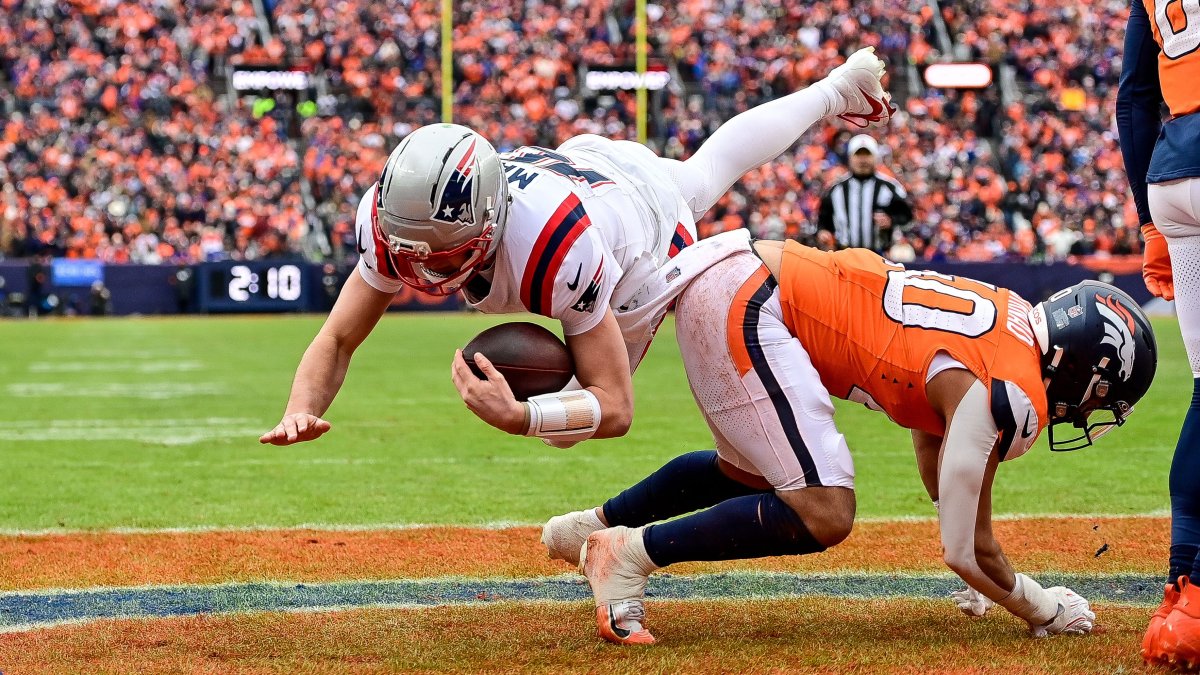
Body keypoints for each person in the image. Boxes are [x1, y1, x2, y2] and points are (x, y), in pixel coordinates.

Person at [538, 229, 1157, 645]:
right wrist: (1040, 606)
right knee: (824, 509)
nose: (1089, 411)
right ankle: (628, 553)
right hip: (752, 301)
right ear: (1086, 367)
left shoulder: (1009, 320)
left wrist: (979, 573)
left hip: (740, 274)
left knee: (753, 474)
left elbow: (932, 444)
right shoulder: (1009, 388)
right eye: (1102, 396)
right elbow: (966, 549)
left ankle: (588, 527)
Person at [259, 48, 896, 447]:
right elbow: (337, 337)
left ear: (489, 224)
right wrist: (300, 409)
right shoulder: (399, 223)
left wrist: (522, 418)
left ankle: (833, 93)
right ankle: (834, 91)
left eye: (444, 254)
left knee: (564, 429)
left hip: (641, 233)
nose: (424, 269)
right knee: (706, 170)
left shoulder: (559, 250)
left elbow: (615, 409)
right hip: (584, 166)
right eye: (412, 252)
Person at [1117, 0, 1200, 666]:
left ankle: (1179, 588)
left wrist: (1150, 221)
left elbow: (1134, 97)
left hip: (1172, 175)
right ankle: (1195, 602)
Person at [817, 134, 913, 253]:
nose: (863, 160)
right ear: (850, 157)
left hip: (878, 254)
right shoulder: (835, 189)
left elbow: (907, 218)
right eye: (858, 155)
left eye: (867, 155)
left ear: (875, 157)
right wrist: (823, 233)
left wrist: (891, 220)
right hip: (845, 254)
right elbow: (823, 220)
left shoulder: (890, 187)